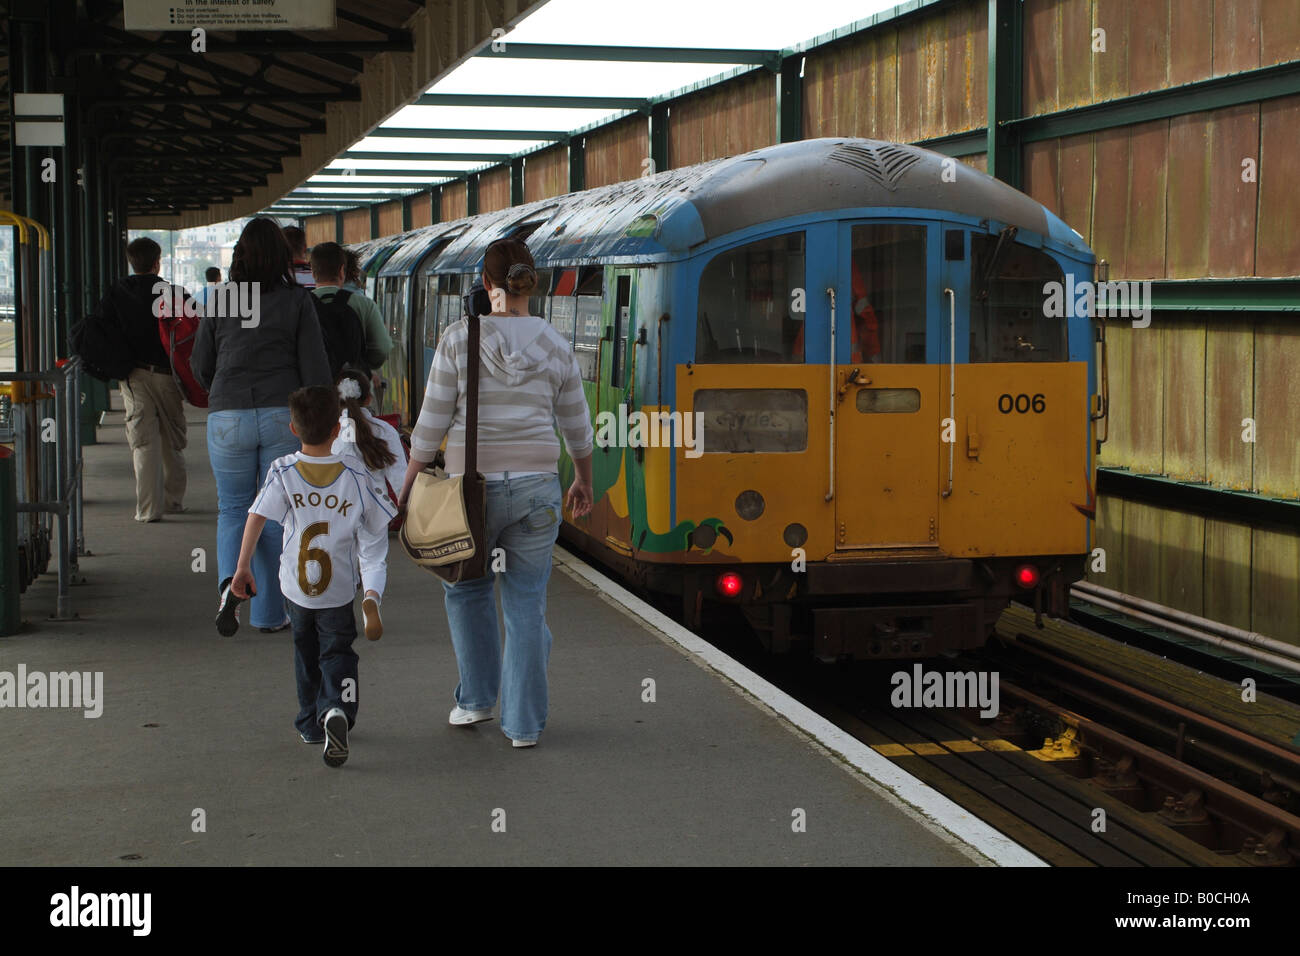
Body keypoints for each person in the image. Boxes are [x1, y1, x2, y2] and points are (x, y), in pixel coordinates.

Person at [398, 237, 594, 749]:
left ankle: (477, 700)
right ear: (532, 284)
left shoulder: (459, 338)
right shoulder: (554, 342)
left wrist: (406, 488)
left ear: (485, 285)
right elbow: (577, 425)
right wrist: (583, 479)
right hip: (536, 491)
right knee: (526, 606)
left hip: (471, 494)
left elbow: (429, 427)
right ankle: (524, 727)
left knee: (466, 588)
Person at [230, 386, 396, 767]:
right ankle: (338, 709)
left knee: (305, 654)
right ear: (338, 430)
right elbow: (376, 523)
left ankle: (309, 722)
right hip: (338, 590)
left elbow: (256, 516)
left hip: (296, 590)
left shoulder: (283, 471)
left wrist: (242, 567)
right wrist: (371, 580)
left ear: (292, 428)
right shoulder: (353, 472)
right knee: (338, 653)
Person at [191, 216, 332, 634]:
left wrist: (222, 390)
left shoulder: (220, 299)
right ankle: (271, 613)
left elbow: (200, 366)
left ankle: (229, 594)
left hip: (227, 415)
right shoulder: (297, 301)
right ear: (283, 257)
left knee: (233, 507)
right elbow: (316, 369)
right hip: (281, 416)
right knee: (276, 512)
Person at [88, 236, 188, 522]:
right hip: (168, 375)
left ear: (132, 263)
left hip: (133, 375)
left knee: (143, 441)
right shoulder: (172, 293)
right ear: (158, 262)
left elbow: (99, 329)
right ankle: (173, 500)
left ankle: (148, 509)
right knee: (172, 438)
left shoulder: (117, 293)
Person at [331, 368, 406, 640]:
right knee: (373, 560)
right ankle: (371, 598)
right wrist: (405, 507)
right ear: (368, 398)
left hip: (336, 508)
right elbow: (400, 476)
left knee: (340, 559)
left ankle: (338, 615)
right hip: (374, 506)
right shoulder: (384, 429)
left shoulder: (331, 430)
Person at [310, 241, 392, 372]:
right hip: (355, 386)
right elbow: (382, 348)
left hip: (314, 388)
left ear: (313, 273)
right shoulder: (364, 304)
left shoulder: (301, 306)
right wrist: (363, 365)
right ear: (342, 271)